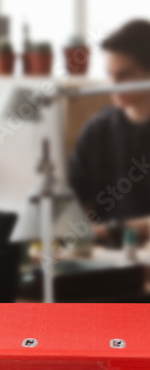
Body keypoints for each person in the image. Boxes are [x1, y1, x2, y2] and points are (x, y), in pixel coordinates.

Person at [68, 19, 150, 245]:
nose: (113, 84)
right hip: (103, 253)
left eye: (124, 75)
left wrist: (114, 231)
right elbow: (70, 199)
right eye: (109, 74)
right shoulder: (98, 129)